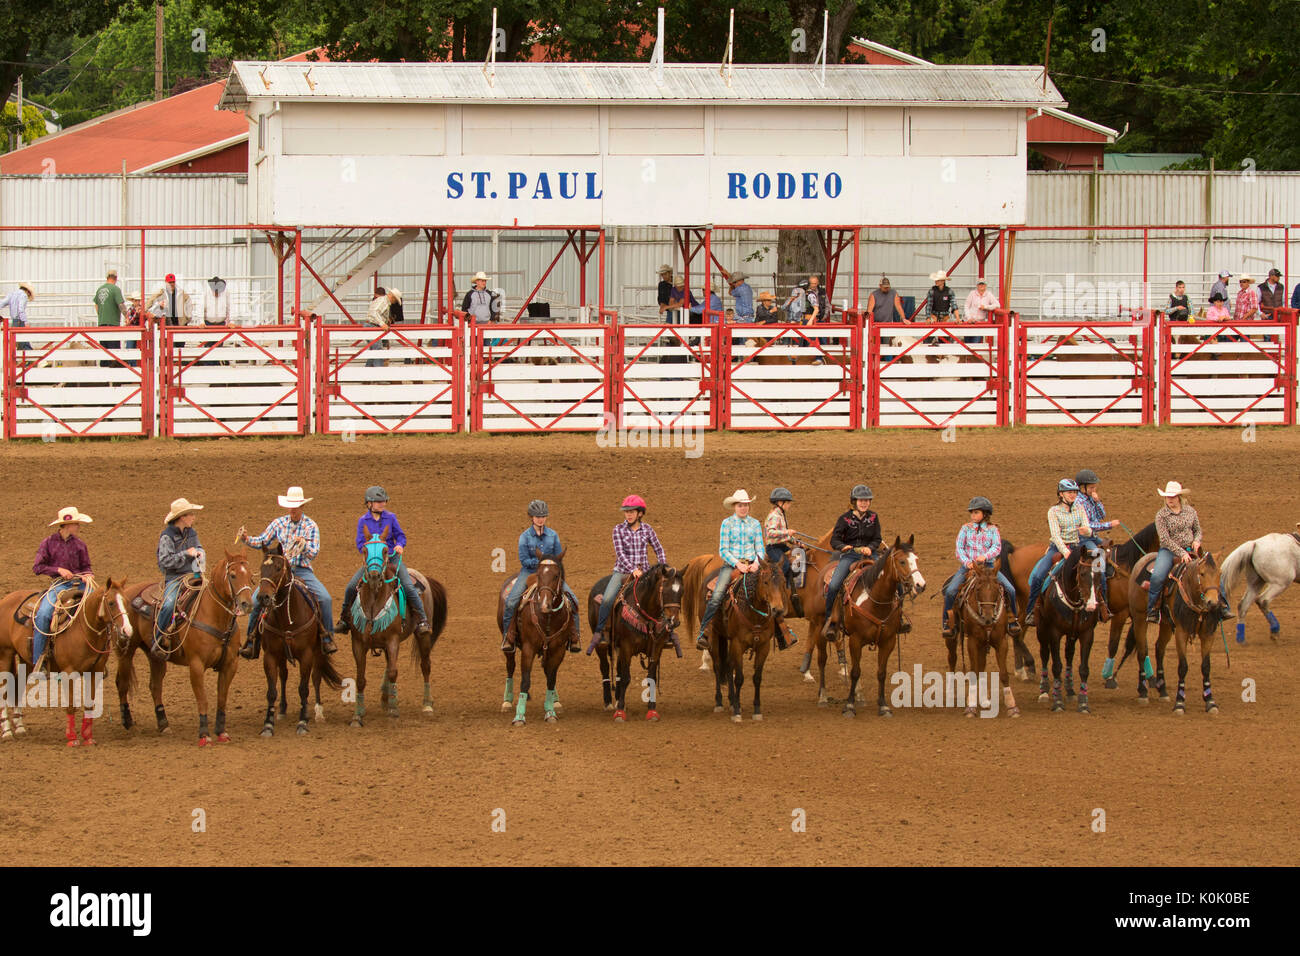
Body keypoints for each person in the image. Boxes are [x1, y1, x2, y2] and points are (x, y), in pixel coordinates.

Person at [239, 486, 337, 657]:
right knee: (256, 601)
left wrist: (304, 544)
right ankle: (251, 640)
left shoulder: (310, 526)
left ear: (302, 506)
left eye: (295, 505)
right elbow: (262, 540)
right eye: (290, 505)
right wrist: (246, 539)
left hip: (302, 570)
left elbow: (313, 553)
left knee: (325, 599)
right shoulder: (279, 523)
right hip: (278, 571)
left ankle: (327, 638)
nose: (292, 509)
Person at [334, 486, 431, 637]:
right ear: (369, 503)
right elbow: (360, 543)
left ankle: (422, 620)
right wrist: (370, 552)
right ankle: (344, 619)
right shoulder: (363, 521)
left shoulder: (391, 518)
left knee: (408, 586)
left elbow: (401, 536)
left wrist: (399, 545)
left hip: (392, 559)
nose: (382, 504)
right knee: (351, 586)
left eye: (383, 501)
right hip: (373, 562)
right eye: (378, 501)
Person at [1145, 482, 1232, 625]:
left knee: (1212, 571)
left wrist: (1197, 541)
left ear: (1179, 496)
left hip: (1191, 549)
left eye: (1173, 497)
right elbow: (1165, 539)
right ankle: (1152, 609)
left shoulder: (1190, 511)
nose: (1170, 500)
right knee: (1157, 576)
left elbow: (1197, 530)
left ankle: (1222, 606)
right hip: (1169, 551)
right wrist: (1181, 553)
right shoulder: (1161, 515)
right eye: (1168, 497)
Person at [590, 495, 668, 652]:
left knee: (662, 597)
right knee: (608, 599)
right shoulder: (618, 530)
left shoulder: (648, 529)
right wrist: (633, 569)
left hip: (645, 573)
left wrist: (662, 568)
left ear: (640, 513)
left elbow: (658, 548)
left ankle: (667, 632)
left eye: (632, 511)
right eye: (626, 512)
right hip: (622, 572)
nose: (629, 514)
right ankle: (601, 632)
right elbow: (620, 553)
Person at [501, 499, 580, 654]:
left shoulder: (553, 535)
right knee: (511, 602)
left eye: (543, 516)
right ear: (531, 517)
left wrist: (550, 566)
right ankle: (508, 636)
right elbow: (523, 560)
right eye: (537, 516)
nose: (540, 518)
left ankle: (574, 636)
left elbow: (558, 557)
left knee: (573, 600)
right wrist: (542, 563)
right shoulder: (524, 537)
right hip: (529, 572)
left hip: (549, 574)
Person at [695, 489, 767, 651]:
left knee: (769, 591)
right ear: (734, 506)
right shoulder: (726, 523)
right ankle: (704, 632)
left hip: (752, 565)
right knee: (717, 595)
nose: (744, 508)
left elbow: (760, 548)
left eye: (746, 505)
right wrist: (738, 564)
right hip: (732, 566)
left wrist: (756, 563)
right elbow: (723, 550)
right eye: (741, 505)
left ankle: (780, 632)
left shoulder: (755, 524)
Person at [941, 497, 1020, 639]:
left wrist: (985, 556)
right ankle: (947, 623)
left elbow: (997, 547)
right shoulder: (965, 528)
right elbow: (959, 548)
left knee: (1011, 589)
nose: (973, 515)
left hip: (989, 567)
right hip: (968, 567)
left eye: (976, 512)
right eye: (972, 513)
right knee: (950, 591)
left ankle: (1012, 620)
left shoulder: (993, 530)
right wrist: (967, 563)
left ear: (985, 514)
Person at [821, 484, 891, 639]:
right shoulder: (844, 519)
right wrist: (844, 547)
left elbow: (877, 538)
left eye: (867, 500)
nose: (864, 503)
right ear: (854, 501)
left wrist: (870, 548)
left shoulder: (874, 518)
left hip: (870, 556)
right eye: (861, 500)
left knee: (892, 578)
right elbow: (835, 540)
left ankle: (897, 618)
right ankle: (830, 621)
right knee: (833, 585)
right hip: (850, 556)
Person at [1023, 479, 1093, 628]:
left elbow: (1087, 528)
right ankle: (1030, 611)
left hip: (1077, 546)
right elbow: (1055, 535)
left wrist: (1086, 531)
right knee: (1037, 576)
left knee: (1096, 570)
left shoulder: (1079, 508)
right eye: (1070, 492)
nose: (1073, 495)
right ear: (1061, 494)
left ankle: (1101, 605)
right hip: (1057, 548)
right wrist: (1065, 552)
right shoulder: (1053, 511)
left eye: (1075, 492)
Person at [31, 506, 95, 670]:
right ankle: (38, 661)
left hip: (80, 584)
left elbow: (86, 566)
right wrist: (58, 570)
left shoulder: (80, 545)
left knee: (101, 606)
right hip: (59, 586)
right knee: (44, 615)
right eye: (76, 524)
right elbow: (38, 567)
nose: (78, 527)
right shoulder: (48, 543)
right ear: (67, 525)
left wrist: (87, 575)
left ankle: (99, 656)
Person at [154, 498, 205, 660]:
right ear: (182, 517)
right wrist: (186, 554)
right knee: (169, 604)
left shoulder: (192, 532)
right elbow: (165, 561)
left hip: (193, 575)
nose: (193, 517)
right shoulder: (167, 537)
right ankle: (158, 637)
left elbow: (198, 547)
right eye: (191, 514)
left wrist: (200, 553)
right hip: (175, 578)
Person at [763, 488, 802, 613]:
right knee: (784, 565)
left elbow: (782, 536)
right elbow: (771, 532)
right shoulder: (775, 515)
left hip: (780, 545)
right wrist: (787, 532)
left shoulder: (780, 514)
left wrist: (794, 541)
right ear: (780, 502)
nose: (790, 505)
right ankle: (777, 588)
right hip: (773, 547)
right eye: (788, 502)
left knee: (798, 553)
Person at [93, 270, 129, 364]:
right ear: (116, 278)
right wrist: (127, 317)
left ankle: (104, 375)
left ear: (107, 277)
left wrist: (101, 315)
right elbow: (121, 305)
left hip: (101, 324)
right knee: (113, 353)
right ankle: (113, 375)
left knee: (104, 351)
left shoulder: (100, 289)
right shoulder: (115, 289)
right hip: (112, 324)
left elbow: (96, 305)